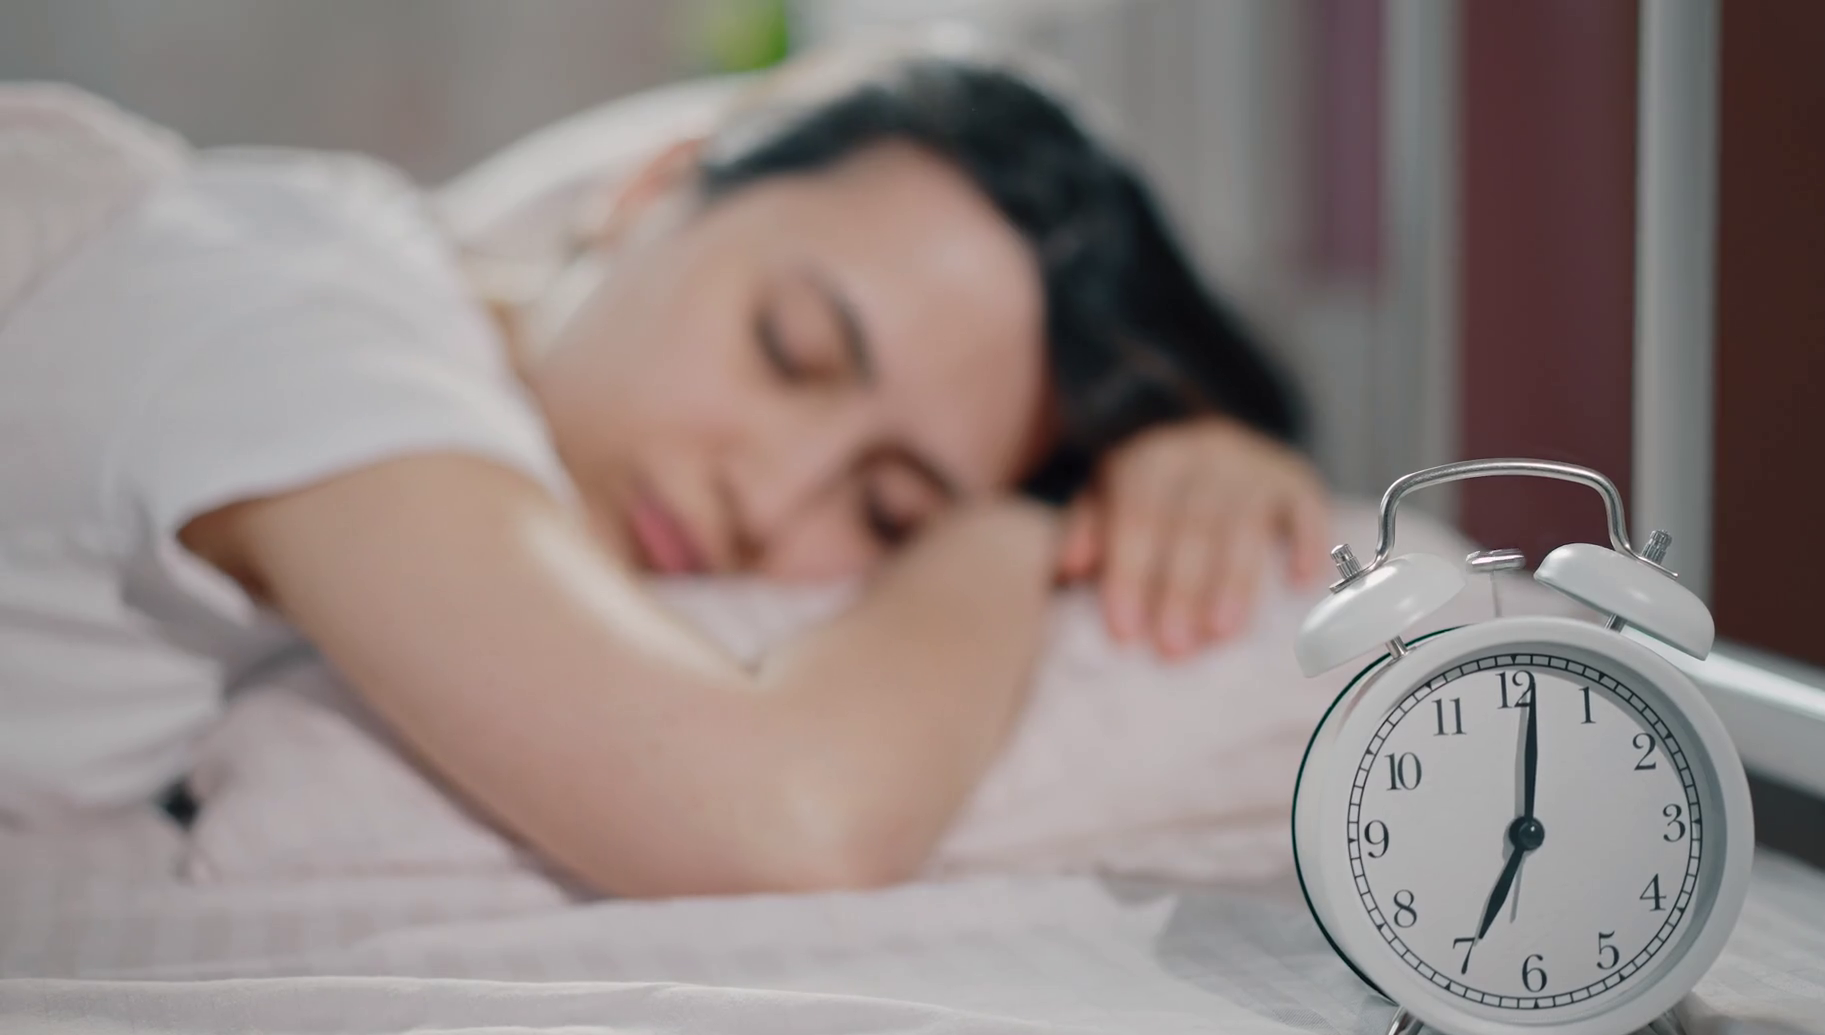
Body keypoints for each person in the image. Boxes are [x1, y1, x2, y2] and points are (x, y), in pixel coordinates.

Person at [0, 52, 1328, 897]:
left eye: (887, 510)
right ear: (653, 190)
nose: (772, 493)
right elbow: (786, 818)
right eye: (789, 349)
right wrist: (1005, 538)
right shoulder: (305, 322)